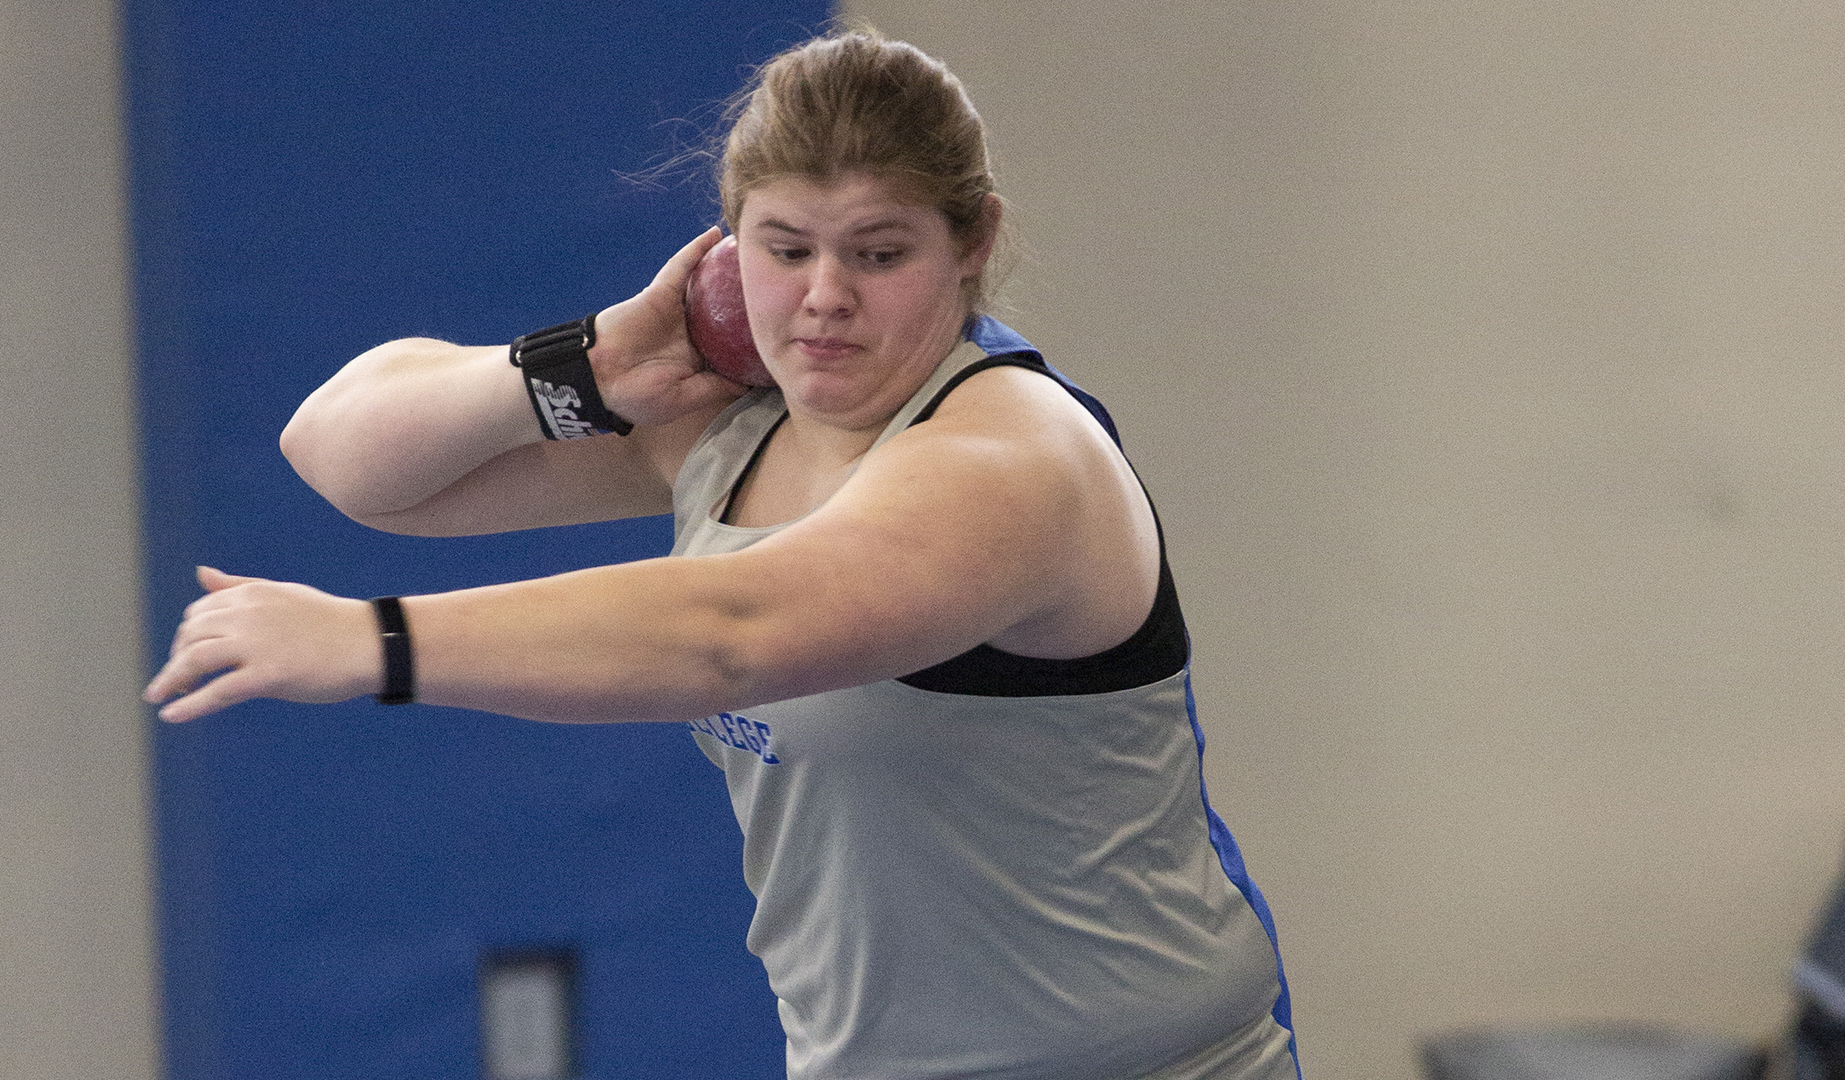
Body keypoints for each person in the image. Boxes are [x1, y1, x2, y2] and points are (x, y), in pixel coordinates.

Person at [144, 28, 1300, 1080]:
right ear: (723, 250)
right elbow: (348, 459)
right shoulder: (726, 425)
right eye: (785, 249)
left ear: (972, 244)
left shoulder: (1014, 460)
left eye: (878, 252)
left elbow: (728, 633)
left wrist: (371, 640)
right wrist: (585, 368)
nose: (824, 300)